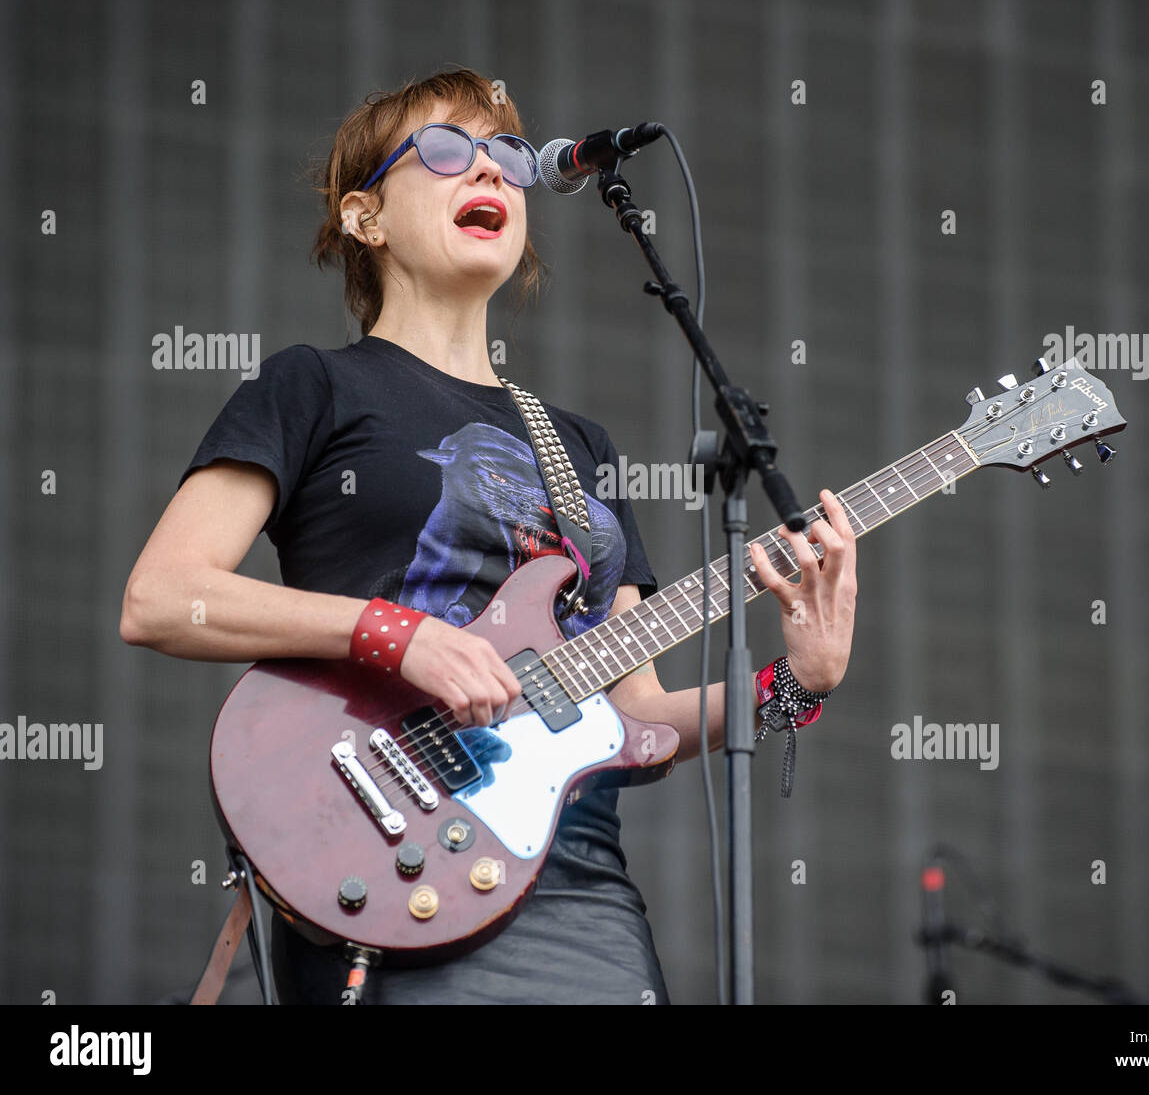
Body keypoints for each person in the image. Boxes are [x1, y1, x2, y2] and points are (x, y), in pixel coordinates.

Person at [119, 66, 858, 1005]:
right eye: (443, 152)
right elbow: (160, 598)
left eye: (507, 156)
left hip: (581, 895)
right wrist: (401, 634)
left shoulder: (578, 446)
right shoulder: (311, 387)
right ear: (365, 218)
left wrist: (794, 686)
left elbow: (635, 718)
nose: (490, 174)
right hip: (387, 855)